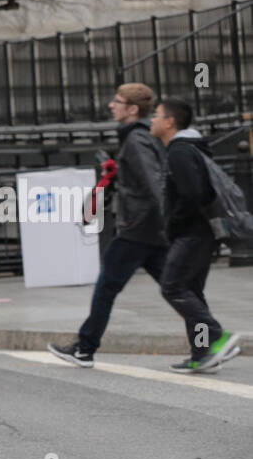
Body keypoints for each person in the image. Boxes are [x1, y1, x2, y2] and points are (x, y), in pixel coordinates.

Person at [48, 83, 167, 368]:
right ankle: (209, 340)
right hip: (149, 230)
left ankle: (85, 349)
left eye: (117, 101)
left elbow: (154, 185)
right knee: (176, 288)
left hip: (136, 230)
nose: (111, 105)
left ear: (133, 109)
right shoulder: (139, 138)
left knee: (106, 289)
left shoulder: (136, 141)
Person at [151, 98, 241, 373]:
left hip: (192, 232)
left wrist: (173, 225)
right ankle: (203, 352)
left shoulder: (180, 151)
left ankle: (216, 336)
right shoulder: (189, 149)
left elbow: (193, 195)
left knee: (173, 287)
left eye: (156, 115)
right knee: (191, 291)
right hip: (200, 232)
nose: (152, 120)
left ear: (170, 122)